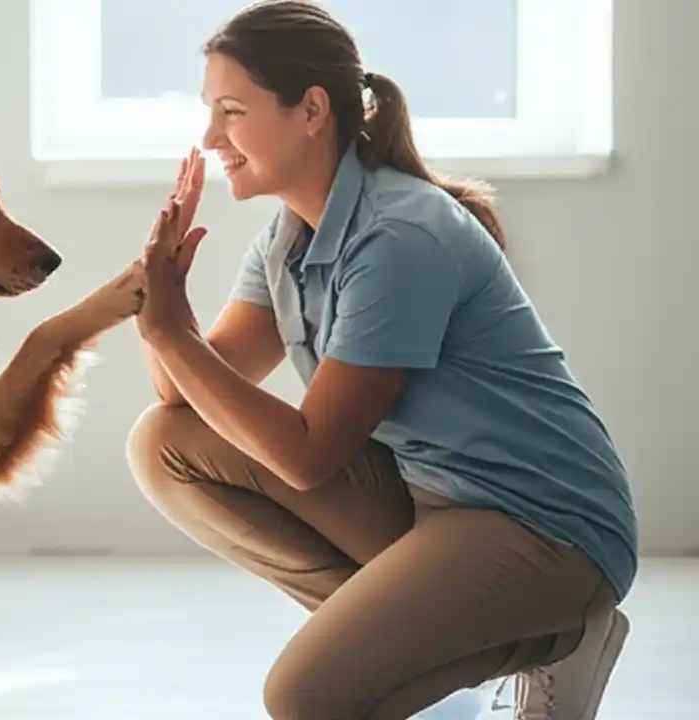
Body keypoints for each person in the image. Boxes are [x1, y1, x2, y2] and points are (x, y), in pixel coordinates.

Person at [125, 1, 638, 718]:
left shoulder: (399, 236)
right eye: (210, 111)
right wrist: (165, 314)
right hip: (429, 496)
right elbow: (184, 399)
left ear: (311, 110)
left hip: (539, 522)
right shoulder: (289, 237)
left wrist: (170, 331)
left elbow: (308, 456)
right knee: (163, 443)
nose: (210, 137)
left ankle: (557, 632)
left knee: (304, 697)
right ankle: (427, 632)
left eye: (232, 111)